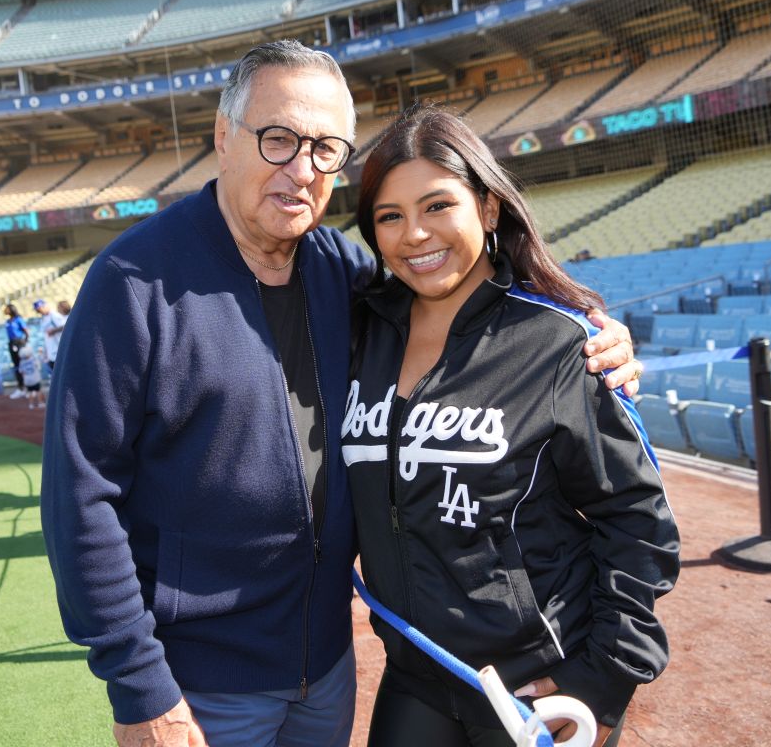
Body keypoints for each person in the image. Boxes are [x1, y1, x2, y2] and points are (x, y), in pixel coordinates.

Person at [40, 41, 642, 747]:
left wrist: (586, 330)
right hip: (200, 690)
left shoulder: (345, 271)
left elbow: (454, 276)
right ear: (223, 138)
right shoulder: (132, 281)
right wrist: (139, 687)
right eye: (279, 140)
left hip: (327, 673)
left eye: (327, 149)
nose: (302, 170)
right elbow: (80, 497)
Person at [344, 108, 678, 747]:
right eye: (390, 216)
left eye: (437, 205)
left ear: (489, 208)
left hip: (541, 685)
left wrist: (603, 680)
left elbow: (638, 520)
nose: (414, 235)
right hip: (418, 672)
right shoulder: (359, 331)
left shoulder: (557, 344)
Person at [3, 303, 29, 399]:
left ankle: (28, 388)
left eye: (7, 308)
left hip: (19, 343)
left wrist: (24, 342)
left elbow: (26, 331)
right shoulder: (8, 321)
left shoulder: (18, 319)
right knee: (17, 366)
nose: (5, 310)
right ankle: (20, 388)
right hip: (11, 343)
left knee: (24, 365)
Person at [33, 299, 66, 372]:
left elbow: (66, 326)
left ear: (45, 306)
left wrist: (54, 330)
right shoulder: (43, 319)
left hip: (59, 351)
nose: (39, 312)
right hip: (51, 353)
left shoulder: (54, 315)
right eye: (37, 310)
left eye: (40, 309)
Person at [17, 340, 45, 409]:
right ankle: (41, 403)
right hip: (35, 379)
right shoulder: (33, 359)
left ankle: (31, 404)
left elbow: (21, 372)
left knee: (30, 392)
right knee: (38, 391)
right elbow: (39, 364)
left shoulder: (21, 362)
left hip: (27, 380)